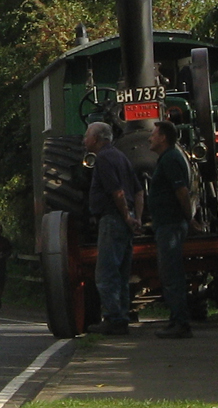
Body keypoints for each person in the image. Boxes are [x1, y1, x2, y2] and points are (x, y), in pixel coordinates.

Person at [84, 121, 141, 335]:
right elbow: (138, 191)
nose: (84, 140)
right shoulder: (121, 156)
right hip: (126, 221)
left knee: (106, 273)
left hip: (112, 219)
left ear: (97, 139)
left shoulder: (104, 159)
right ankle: (122, 316)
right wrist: (137, 218)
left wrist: (126, 217)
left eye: (87, 136)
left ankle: (113, 318)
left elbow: (116, 192)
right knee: (121, 273)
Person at [148, 120, 195, 339]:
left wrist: (189, 218)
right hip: (166, 225)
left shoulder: (171, 159)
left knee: (172, 275)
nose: (150, 138)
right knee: (169, 274)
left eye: (154, 134)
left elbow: (182, 192)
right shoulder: (167, 158)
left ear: (163, 138)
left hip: (171, 225)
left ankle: (180, 322)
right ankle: (177, 320)